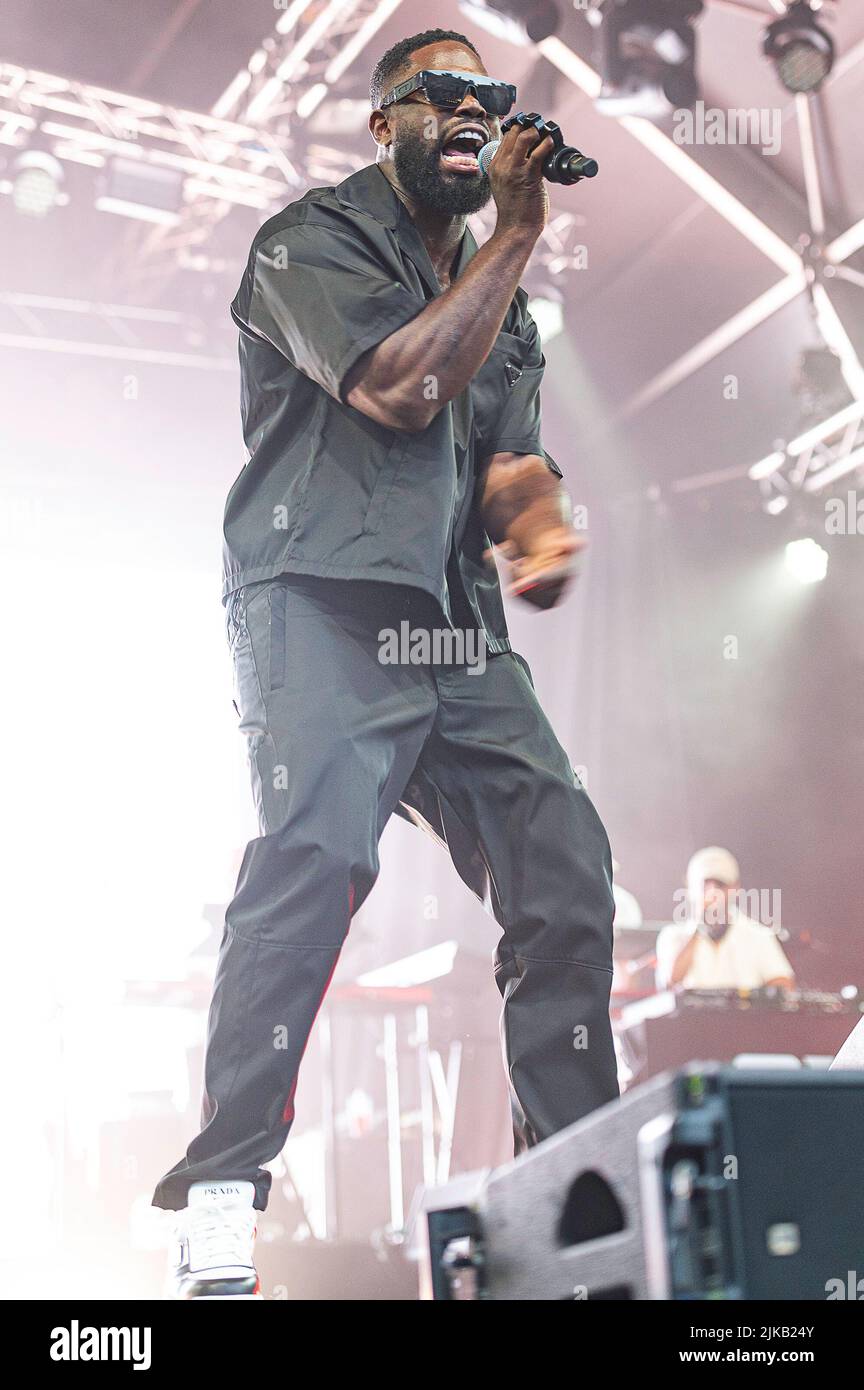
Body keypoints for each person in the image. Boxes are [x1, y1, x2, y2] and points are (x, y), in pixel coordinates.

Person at [153, 27, 619, 1299]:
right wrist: (518, 237)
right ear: (385, 123)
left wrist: (539, 531)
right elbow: (402, 391)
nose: (475, 110)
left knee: (565, 861)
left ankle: (576, 1196)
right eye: (445, 95)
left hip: (456, 630)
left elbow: (508, 459)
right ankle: (222, 1191)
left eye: (492, 97)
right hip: (316, 606)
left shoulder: (502, 301)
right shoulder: (308, 240)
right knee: (316, 857)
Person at [655, 846, 795, 992]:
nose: (713, 893)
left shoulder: (759, 935)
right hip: (692, 1015)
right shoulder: (671, 936)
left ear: (736, 888)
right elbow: (670, 982)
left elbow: (784, 984)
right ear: (690, 888)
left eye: (720, 885)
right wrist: (699, 925)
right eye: (705, 885)